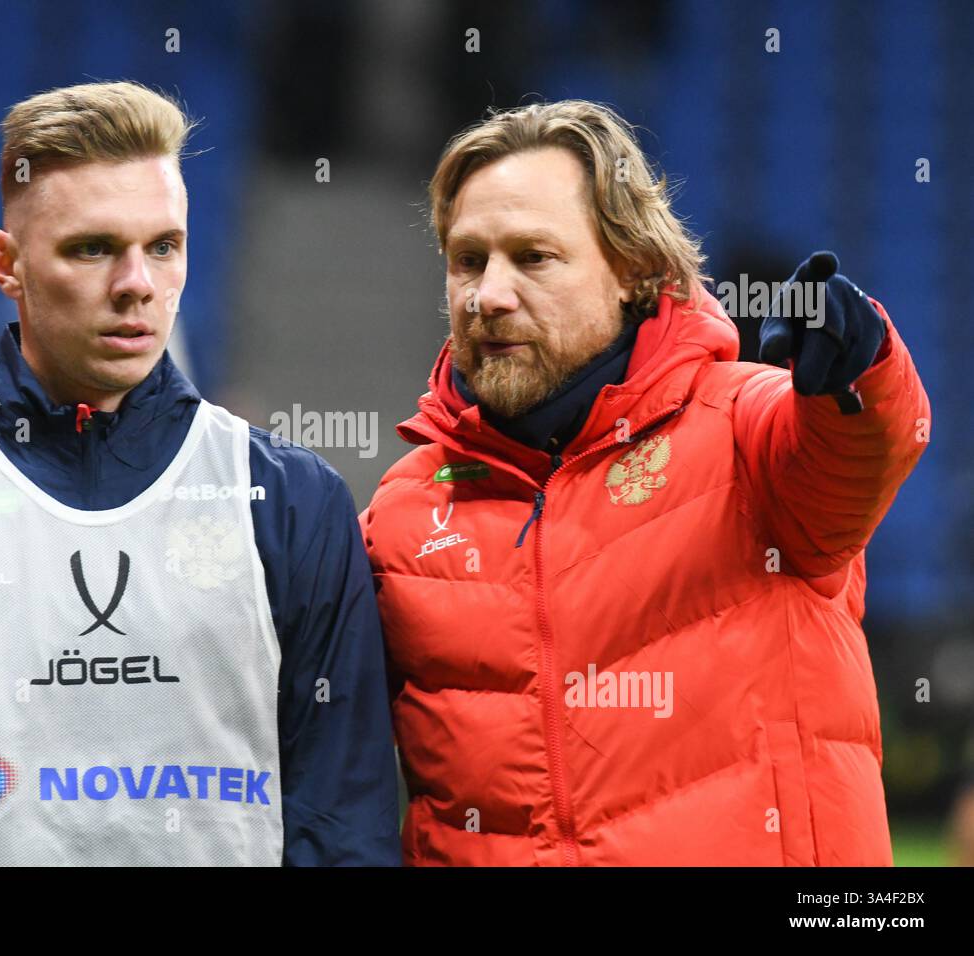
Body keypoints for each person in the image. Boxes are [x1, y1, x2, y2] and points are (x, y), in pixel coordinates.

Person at [0, 81, 399, 866]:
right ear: (7, 264)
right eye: (93, 248)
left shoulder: (292, 504)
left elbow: (346, 835)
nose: (137, 283)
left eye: (164, 246)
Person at [360, 100, 929, 866]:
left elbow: (857, 453)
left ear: (633, 271)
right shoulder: (403, 512)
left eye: (533, 257)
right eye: (469, 260)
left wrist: (855, 369)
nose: (486, 295)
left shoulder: (744, 428)